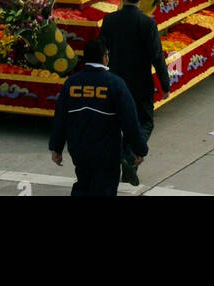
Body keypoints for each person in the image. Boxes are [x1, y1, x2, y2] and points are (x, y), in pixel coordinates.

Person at [49, 38, 148, 197]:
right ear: (104, 56)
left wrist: (56, 147)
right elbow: (130, 121)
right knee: (104, 188)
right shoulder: (115, 84)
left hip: (79, 150)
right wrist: (139, 149)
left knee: (83, 184)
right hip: (106, 152)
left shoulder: (71, 83)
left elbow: (60, 118)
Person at [100, 0, 172, 185]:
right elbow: (157, 57)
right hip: (140, 83)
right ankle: (130, 156)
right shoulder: (147, 24)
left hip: (115, 80)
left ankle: (124, 158)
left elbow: (101, 51)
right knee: (145, 122)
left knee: (117, 122)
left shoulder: (109, 21)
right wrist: (165, 85)